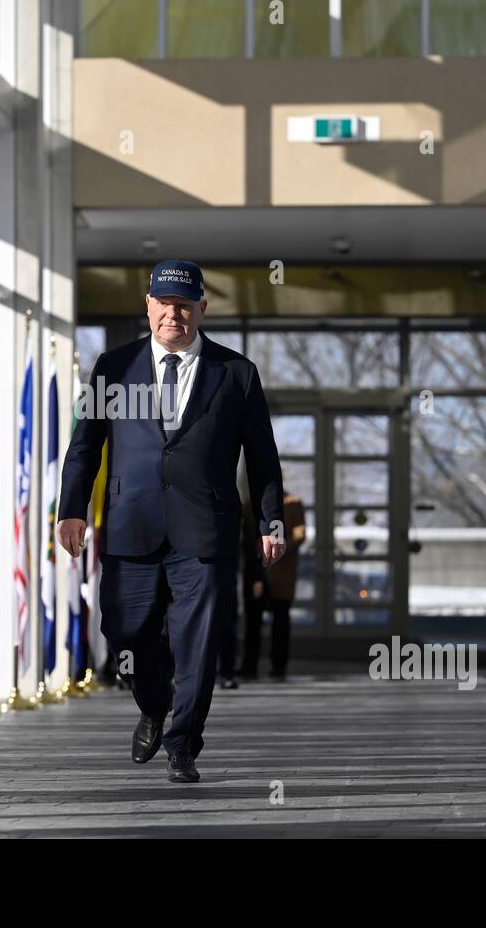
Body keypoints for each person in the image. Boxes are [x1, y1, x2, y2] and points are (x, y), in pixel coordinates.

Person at [56, 260, 285, 783]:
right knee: (124, 629)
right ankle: (155, 706)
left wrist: (270, 521)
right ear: (148, 305)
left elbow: (263, 457)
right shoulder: (113, 368)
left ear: (202, 308)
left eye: (184, 304)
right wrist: (71, 509)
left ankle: (183, 745)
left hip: (204, 529)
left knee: (198, 642)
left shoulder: (236, 373)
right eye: (163, 302)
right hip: (129, 524)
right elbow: (84, 447)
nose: (172, 313)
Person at [241, 491, 306, 680]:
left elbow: (299, 534)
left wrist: (280, 548)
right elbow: (246, 537)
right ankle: (250, 665)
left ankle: (278, 666)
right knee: (253, 620)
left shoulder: (293, 504)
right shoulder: (250, 505)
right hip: (258, 572)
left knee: (281, 621)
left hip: (281, 573)